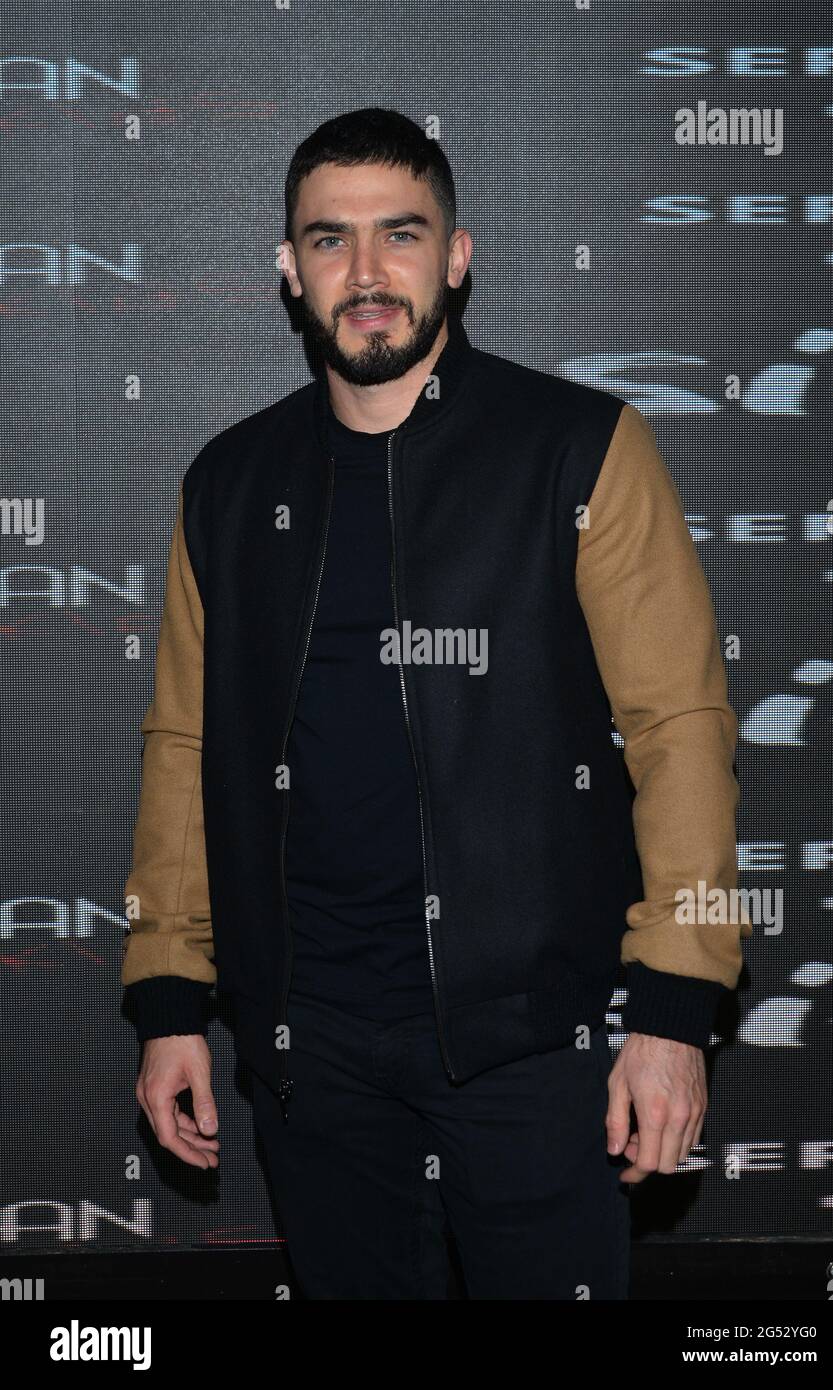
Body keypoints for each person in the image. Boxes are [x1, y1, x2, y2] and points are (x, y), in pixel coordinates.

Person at [122, 107, 752, 1299]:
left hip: (523, 1043)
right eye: (329, 240)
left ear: (456, 255)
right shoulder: (228, 482)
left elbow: (681, 731)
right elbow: (185, 748)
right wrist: (167, 996)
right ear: (288, 268)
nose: (366, 273)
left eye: (400, 234)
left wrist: (674, 1010)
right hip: (311, 1053)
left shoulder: (580, 448)